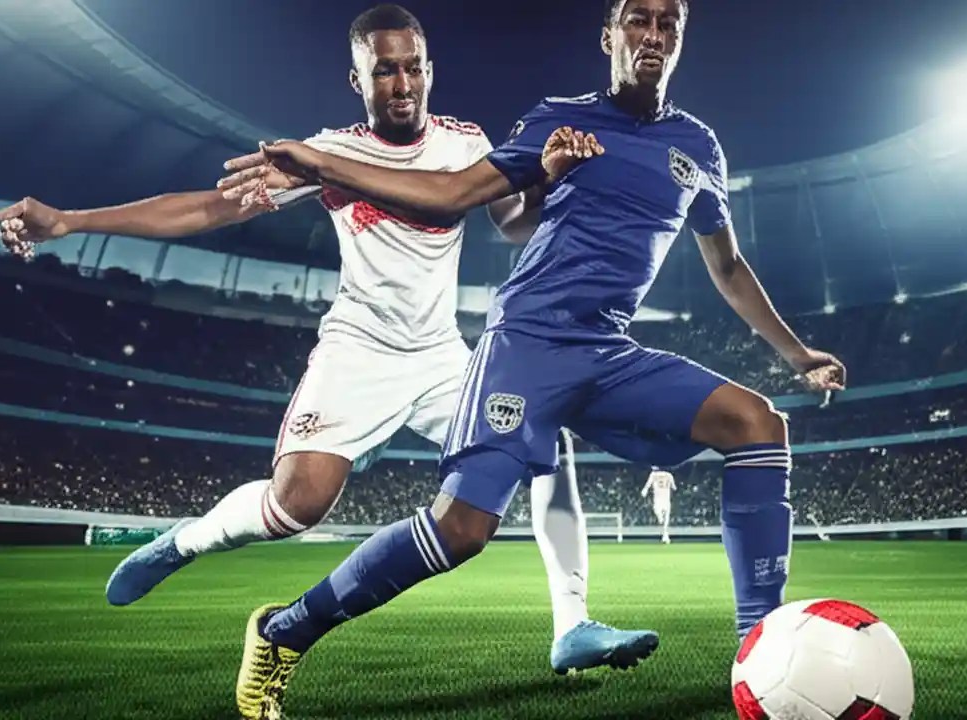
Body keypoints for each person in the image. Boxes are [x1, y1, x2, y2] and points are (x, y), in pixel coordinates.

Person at [216, 0, 845, 716]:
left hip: (608, 352)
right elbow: (454, 194)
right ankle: (282, 632)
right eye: (638, 19)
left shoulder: (698, 148)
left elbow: (728, 267)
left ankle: (759, 649)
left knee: (759, 423)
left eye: (669, 22)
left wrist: (797, 355)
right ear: (609, 36)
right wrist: (323, 160)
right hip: (527, 345)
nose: (654, 34)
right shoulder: (559, 120)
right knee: (460, 532)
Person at [0, 2, 654, 675]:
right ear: (357, 79)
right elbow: (205, 209)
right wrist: (70, 220)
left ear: (430, 70)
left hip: (439, 357)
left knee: (544, 436)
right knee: (297, 505)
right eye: (385, 71)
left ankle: (571, 626)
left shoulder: (463, 143)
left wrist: (551, 179)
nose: (402, 85)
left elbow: (514, 222)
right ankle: (183, 543)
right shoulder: (327, 154)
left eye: (413, 68)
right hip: (357, 354)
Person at [642, 467, 676, 543]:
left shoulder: (653, 475)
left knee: (657, 511)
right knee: (666, 517)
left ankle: (665, 535)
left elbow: (648, 484)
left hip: (658, 498)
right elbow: (674, 487)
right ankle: (665, 534)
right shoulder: (669, 475)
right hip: (666, 498)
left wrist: (645, 490)